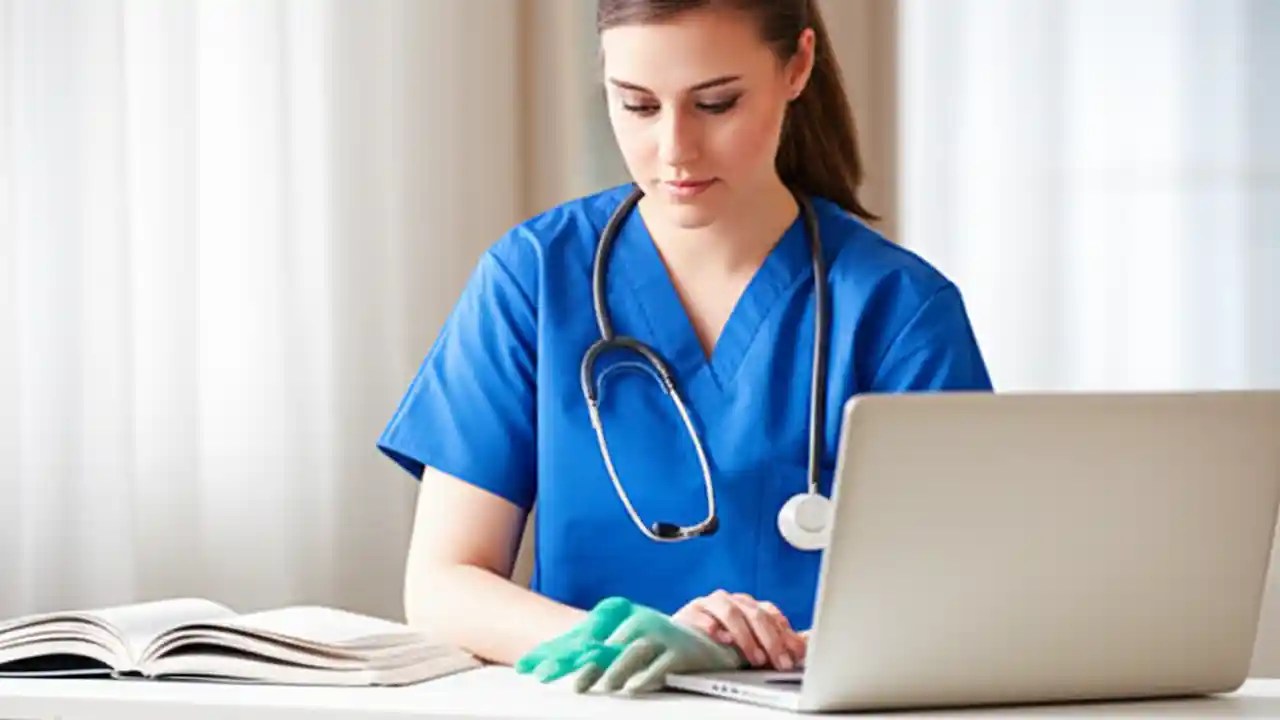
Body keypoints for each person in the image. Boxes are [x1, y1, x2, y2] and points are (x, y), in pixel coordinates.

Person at [377, 0, 992, 696]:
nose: (675, 149)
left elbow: (958, 598)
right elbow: (444, 584)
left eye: (716, 104)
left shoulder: (899, 310)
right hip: (596, 704)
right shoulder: (534, 278)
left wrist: (764, 652)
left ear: (797, 66)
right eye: (638, 105)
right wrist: (620, 641)